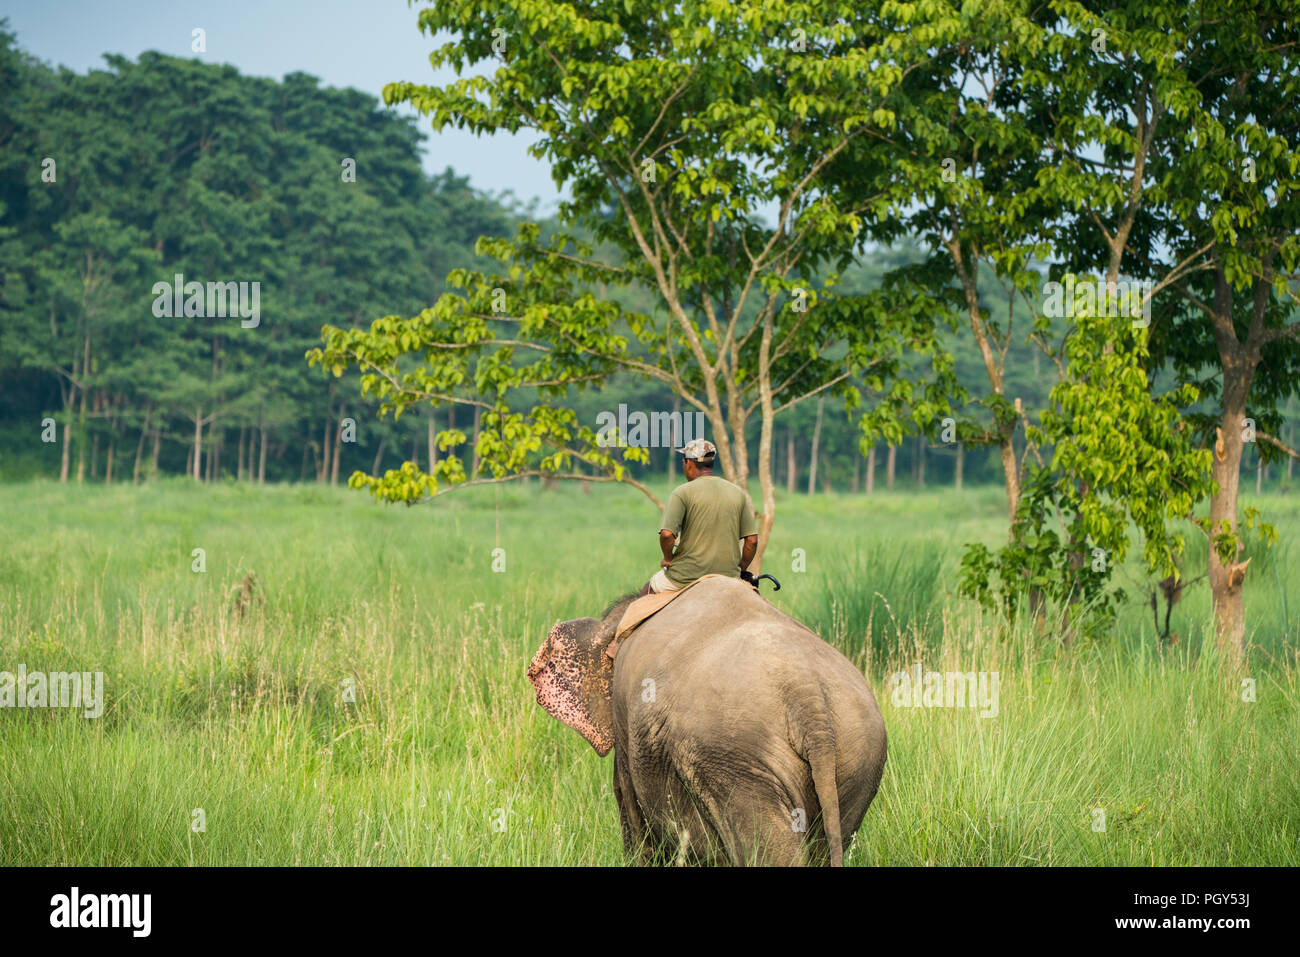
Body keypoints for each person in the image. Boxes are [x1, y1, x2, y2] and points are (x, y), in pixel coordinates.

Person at [641, 438, 759, 596]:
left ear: (688, 462)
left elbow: (667, 535)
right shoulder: (738, 493)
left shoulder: (682, 492)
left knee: (647, 590)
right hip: (729, 576)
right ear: (711, 463)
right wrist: (740, 569)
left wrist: (668, 559)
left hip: (685, 577)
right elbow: (752, 541)